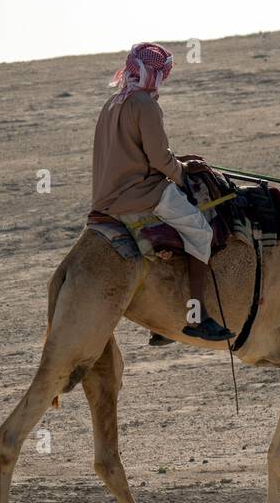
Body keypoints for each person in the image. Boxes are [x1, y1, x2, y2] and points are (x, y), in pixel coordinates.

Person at [91, 42, 234, 342]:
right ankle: (198, 317)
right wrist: (181, 173)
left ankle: (161, 323)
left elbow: (134, 152)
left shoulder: (113, 102)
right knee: (201, 233)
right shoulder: (145, 104)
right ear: (154, 75)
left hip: (107, 196)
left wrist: (177, 161)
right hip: (141, 193)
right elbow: (157, 158)